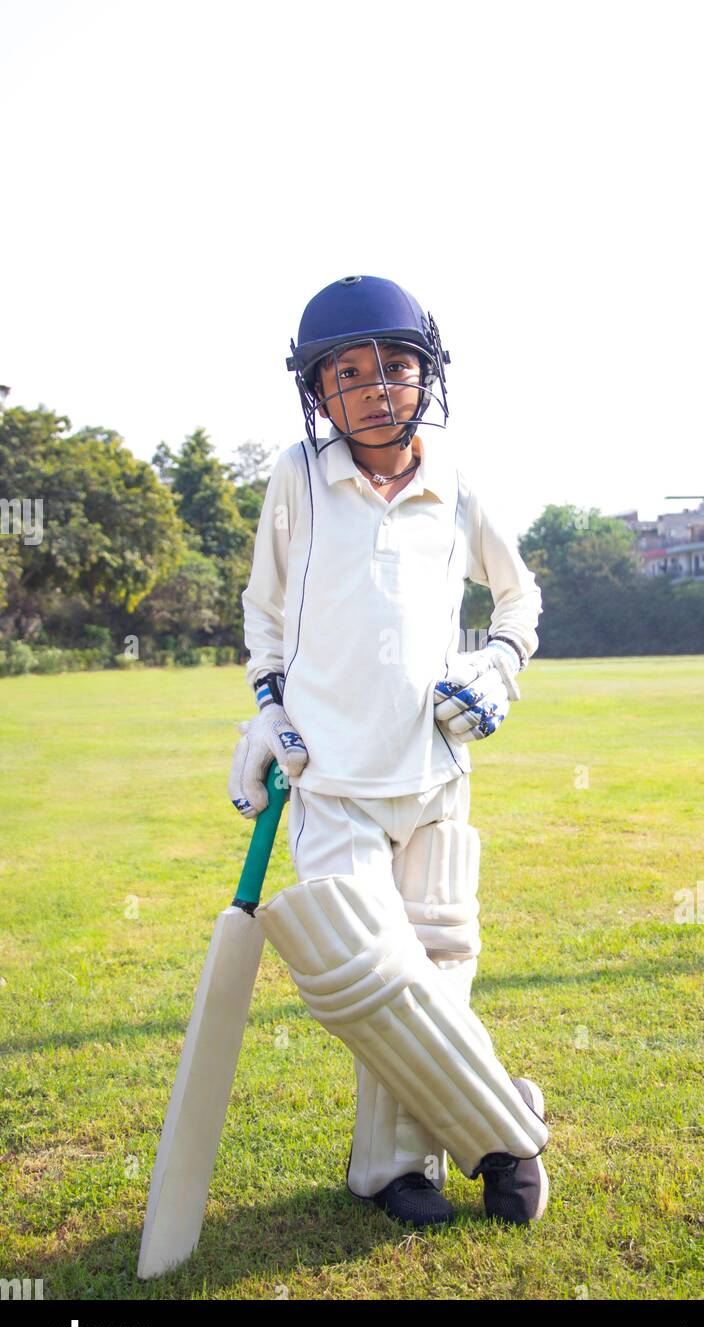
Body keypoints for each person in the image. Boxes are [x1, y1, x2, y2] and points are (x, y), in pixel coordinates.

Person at [228, 274, 550, 1228]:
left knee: (438, 962)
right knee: (370, 978)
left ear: (427, 377)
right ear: (318, 390)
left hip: (437, 773)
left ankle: (391, 1171)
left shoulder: (460, 483)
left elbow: (521, 600)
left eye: (394, 367)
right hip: (331, 777)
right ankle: (511, 1128)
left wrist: (499, 664)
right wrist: (265, 709)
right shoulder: (299, 475)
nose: (374, 387)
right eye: (348, 372)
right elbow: (265, 610)